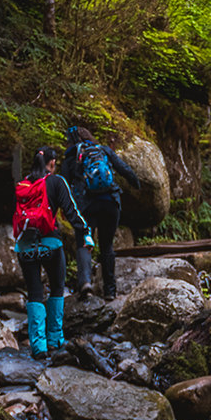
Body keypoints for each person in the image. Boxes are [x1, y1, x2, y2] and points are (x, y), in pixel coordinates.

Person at [13, 145, 91, 359]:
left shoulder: (23, 185)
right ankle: (55, 340)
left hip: (26, 246)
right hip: (51, 245)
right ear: (52, 163)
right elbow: (72, 211)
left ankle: (38, 347)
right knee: (57, 288)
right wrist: (85, 233)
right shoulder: (56, 182)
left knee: (34, 293)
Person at [62, 126, 141, 300]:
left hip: (87, 207)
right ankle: (110, 291)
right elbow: (124, 168)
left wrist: (65, 208)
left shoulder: (71, 157)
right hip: (110, 202)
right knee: (107, 246)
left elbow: (64, 185)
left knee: (85, 243)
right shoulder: (103, 150)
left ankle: (85, 283)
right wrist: (136, 183)